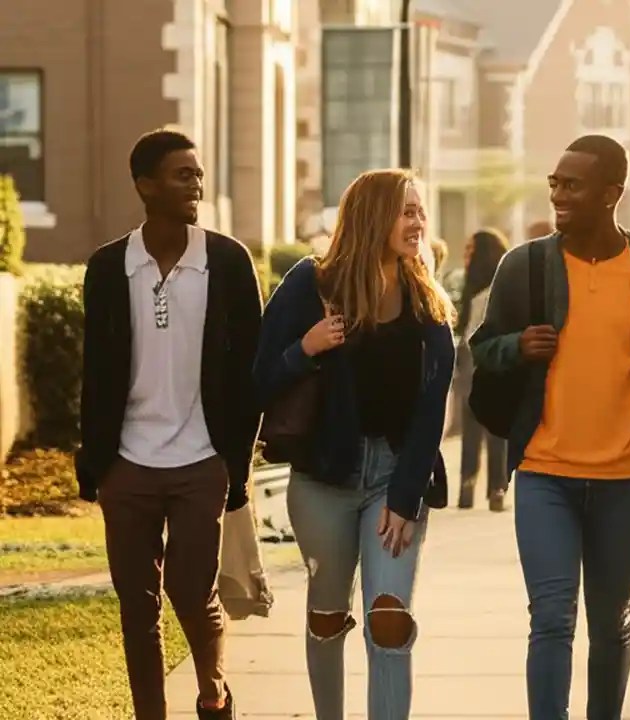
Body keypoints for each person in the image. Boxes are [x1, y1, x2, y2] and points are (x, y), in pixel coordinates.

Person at [469, 134, 630, 720]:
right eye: (555, 183)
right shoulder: (526, 265)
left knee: (612, 623)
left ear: (612, 193)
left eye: (573, 185)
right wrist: (517, 346)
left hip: (623, 479)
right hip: (545, 473)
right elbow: (481, 348)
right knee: (551, 617)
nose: (559, 194)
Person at [253, 168, 455, 720]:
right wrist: (307, 348)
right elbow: (259, 378)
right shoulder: (309, 283)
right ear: (372, 216)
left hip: (395, 476)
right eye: (405, 210)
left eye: (420, 211)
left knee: (389, 617)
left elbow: (433, 405)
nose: (416, 222)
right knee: (327, 616)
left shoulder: (426, 300)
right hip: (324, 479)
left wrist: (407, 493)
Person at [76, 128, 262, 720]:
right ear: (145, 185)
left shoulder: (227, 261)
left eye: (198, 174)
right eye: (184, 174)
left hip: (201, 459)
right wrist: (96, 464)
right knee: (137, 605)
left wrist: (238, 463)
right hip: (126, 462)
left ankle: (213, 690)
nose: (197, 185)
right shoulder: (109, 267)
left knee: (190, 588)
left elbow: (249, 371)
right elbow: (95, 371)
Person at [456, 228, 511, 511]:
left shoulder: (482, 291)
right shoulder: (499, 286)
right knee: (493, 427)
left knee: (474, 424)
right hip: (494, 358)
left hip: (478, 357)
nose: (465, 256)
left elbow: (465, 330)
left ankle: (470, 485)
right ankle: (495, 489)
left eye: (470, 250)